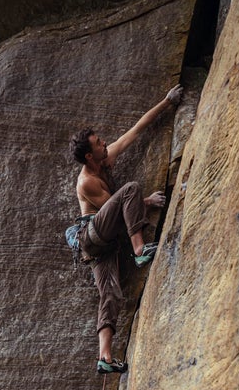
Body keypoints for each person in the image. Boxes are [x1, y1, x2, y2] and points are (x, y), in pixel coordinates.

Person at [68, 85, 183, 374]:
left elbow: (136, 130)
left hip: (100, 246)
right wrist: (148, 201)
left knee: (110, 294)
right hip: (92, 235)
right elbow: (118, 208)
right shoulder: (87, 182)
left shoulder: (104, 160)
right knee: (130, 189)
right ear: (89, 157)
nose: (104, 141)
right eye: (98, 142)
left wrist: (166, 102)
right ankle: (139, 249)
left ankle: (104, 357)